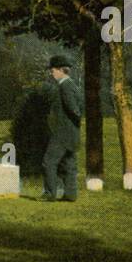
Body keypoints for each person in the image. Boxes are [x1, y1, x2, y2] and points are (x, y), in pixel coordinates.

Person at [42, 54, 82, 202]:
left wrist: (72, 121)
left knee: (49, 162)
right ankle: (71, 195)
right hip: (72, 133)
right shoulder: (72, 85)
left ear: (60, 70)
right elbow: (79, 107)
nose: (51, 74)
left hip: (61, 134)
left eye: (52, 71)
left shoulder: (64, 86)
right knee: (69, 164)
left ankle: (49, 194)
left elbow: (74, 109)